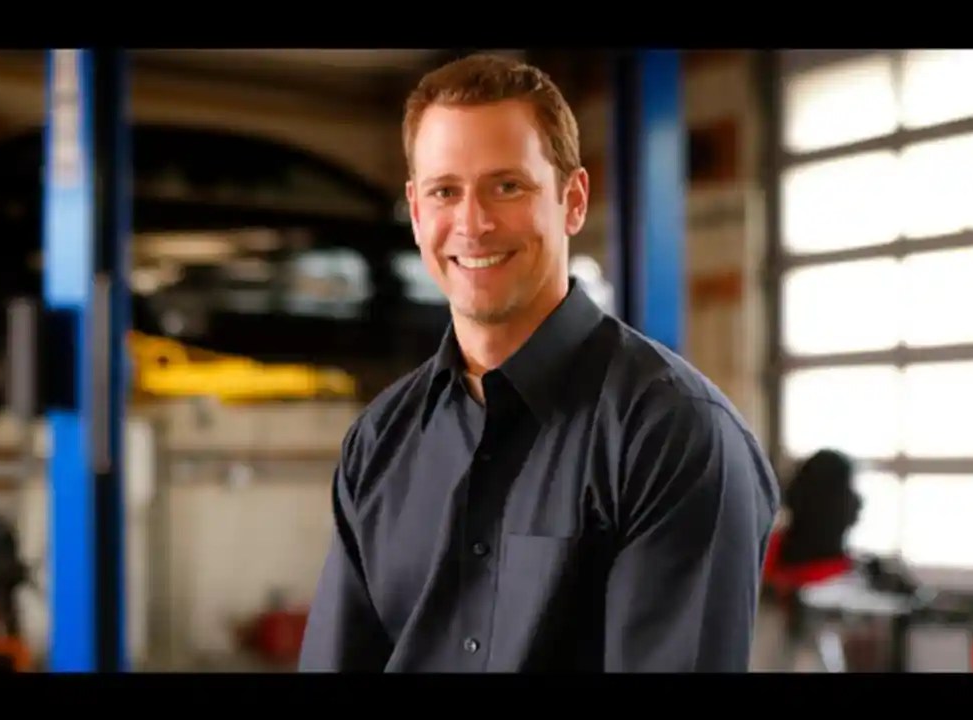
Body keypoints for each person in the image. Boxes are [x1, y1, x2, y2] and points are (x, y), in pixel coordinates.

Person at [298, 52, 780, 672]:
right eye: (446, 192)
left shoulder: (673, 435)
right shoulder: (378, 443)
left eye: (508, 186)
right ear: (417, 213)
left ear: (573, 200)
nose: (472, 223)